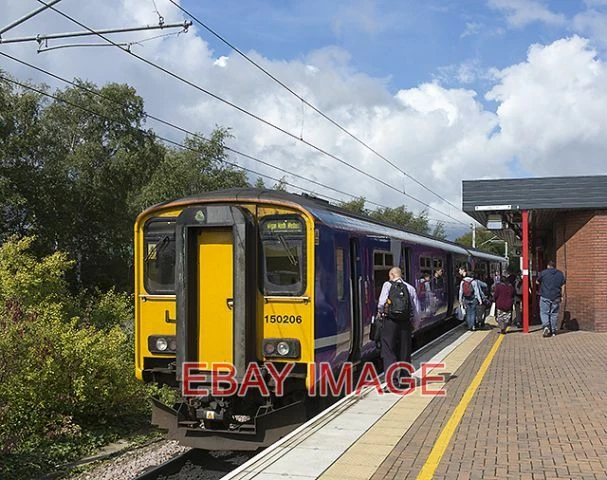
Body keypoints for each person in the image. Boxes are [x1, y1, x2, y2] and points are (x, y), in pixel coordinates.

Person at [377, 267, 421, 384]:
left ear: (391, 275)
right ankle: (405, 379)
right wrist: (414, 327)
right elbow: (416, 311)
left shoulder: (387, 285)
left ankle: (392, 381)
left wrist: (381, 313)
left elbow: (381, 303)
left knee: (389, 351)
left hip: (390, 322)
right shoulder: (409, 288)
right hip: (405, 324)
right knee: (404, 351)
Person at [536, 260, 566, 337]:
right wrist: (561, 296)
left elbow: (537, 282)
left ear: (548, 266)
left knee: (544, 312)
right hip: (556, 296)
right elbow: (563, 285)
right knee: (554, 314)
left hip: (545, 295)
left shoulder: (543, 273)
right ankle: (553, 330)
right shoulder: (560, 274)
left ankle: (546, 326)